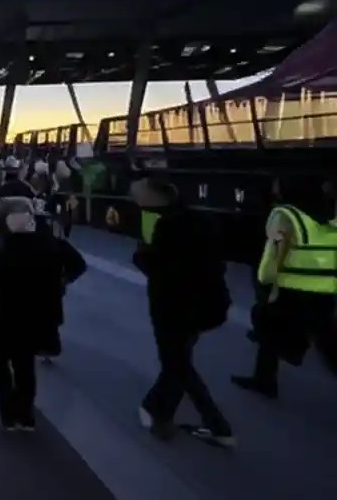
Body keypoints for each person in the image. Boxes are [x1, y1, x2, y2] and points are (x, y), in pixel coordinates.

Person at [132, 178, 235, 448]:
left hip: (175, 306)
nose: (135, 199)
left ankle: (162, 413)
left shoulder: (167, 225)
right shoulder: (202, 220)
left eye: (139, 195)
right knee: (179, 361)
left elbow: (164, 269)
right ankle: (210, 425)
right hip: (209, 302)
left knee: (176, 363)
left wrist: (141, 257)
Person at [0, 209, 86, 431]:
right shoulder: (51, 247)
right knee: (24, 366)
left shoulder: (2, 256)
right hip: (35, 318)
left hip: (2, 320)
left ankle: (7, 411)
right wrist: (62, 280)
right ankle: (25, 415)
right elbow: (78, 264)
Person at [232, 178, 337, 399]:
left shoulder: (286, 215)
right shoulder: (326, 212)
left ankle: (265, 381)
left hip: (292, 286)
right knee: (325, 338)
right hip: (324, 287)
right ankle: (264, 379)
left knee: (270, 331)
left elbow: (273, 253)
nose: (275, 189)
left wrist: (266, 282)